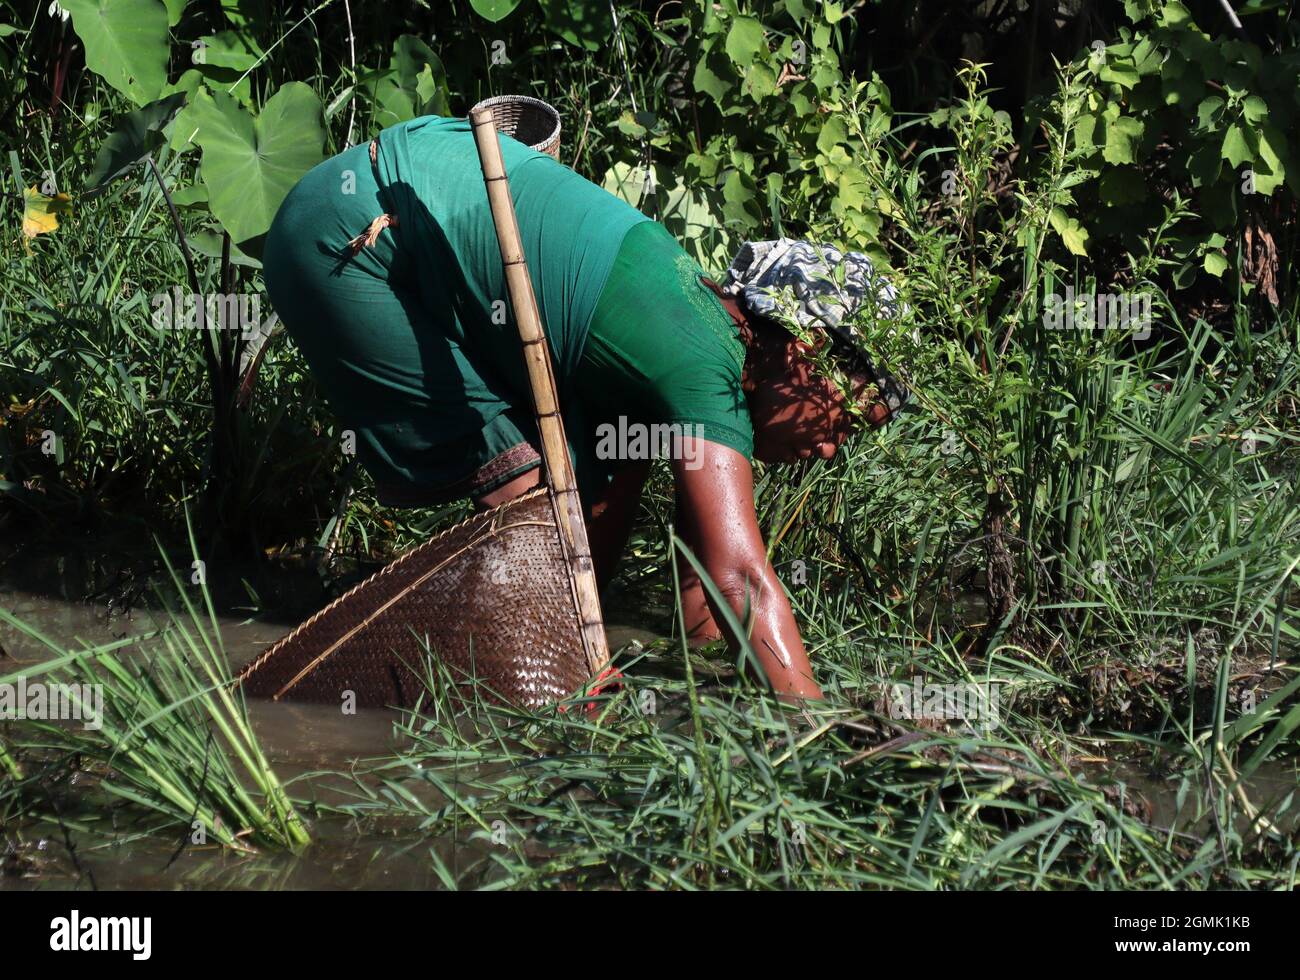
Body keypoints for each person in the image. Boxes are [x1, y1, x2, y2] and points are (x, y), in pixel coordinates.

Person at [263, 113, 902, 702]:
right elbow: (741, 580)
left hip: (396, 188)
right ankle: (463, 681)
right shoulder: (704, 367)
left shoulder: (683, 333)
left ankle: (534, 673)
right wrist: (811, 734)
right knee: (528, 500)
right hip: (351, 234)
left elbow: (694, 574)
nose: (825, 449)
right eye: (840, 422)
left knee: (585, 494)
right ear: (802, 352)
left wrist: (707, 680)